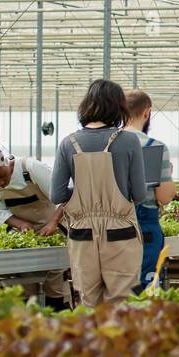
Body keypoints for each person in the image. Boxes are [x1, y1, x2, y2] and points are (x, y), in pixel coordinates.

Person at [48, 79, 148, 306]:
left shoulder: (68, 143)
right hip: (120, 232)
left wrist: (83, 190)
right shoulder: (129, 141)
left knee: (88, 302)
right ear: (117, 107)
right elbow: (140, 194)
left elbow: (57, 195)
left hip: (81, 234)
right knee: (122, 304)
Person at [0, 140, 69, 310]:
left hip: (53, 231)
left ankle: (58, 317)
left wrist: (53, 222)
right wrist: (20, 224)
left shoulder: (31, 168)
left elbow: (66, 197)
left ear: (4, 161)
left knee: (55, 283)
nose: (1, 184)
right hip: (25, 236)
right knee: (26, 282)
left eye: (2, 177)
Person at [123, 89, 177, 292]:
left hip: (111, 225)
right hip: (144, 226)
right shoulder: (153, 147)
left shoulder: (107, 144)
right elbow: (164, 196)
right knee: (146, 287)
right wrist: (169, 176)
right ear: (147, 113)